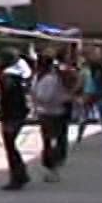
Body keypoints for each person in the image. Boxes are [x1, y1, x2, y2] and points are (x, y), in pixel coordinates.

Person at [32, 53, 72, 183]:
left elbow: (46, 97)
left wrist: (34, 97)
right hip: (56, 111)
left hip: (50, 113)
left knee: (50, 142)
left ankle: (52, 169)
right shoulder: (54, 77)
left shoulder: (48, 79)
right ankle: (54, 166)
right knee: (56, 140)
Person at [0, 48, 32, 190]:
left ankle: (18, 176)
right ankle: (20, 174)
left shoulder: (8, 77)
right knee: (11, 146)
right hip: (18, 113)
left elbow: (8, 97)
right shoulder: (20, 74)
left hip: (11, 115)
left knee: (10, 146)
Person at [76, 48, 102, 145]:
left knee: (101, 116)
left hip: (98, 92)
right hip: (89, 93)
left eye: (97, 54)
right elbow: (81, 81)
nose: (96, 56)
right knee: (85, 116)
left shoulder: (101, 67)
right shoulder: (87, 67)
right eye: (95, 54)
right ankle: (79, 136)